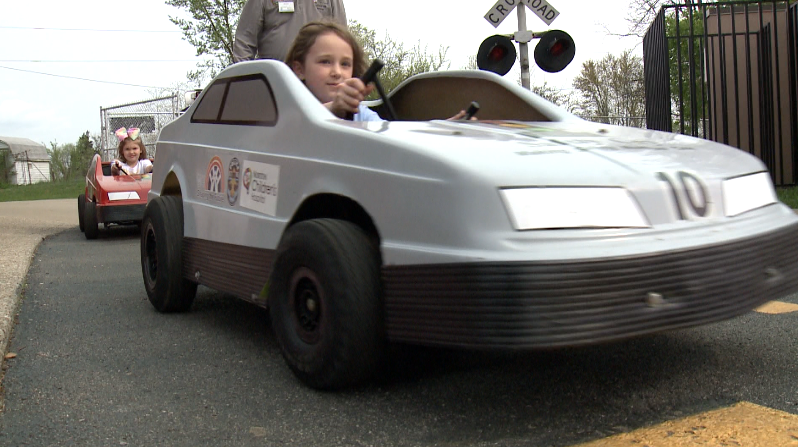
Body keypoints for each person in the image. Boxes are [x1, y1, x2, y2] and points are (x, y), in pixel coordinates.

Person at [284, 21, 473, 122]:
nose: (337, 72)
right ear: (299, 69)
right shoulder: (283, 109)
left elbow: (395, 140)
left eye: (345, 64)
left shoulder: (362, 115)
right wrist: (333, 109)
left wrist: (443, 129)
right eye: (325, 62)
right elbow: (294, 126)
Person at [232, 0, 347, 63]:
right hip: (275, 84)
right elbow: (244, 42)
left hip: (318, 86)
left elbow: (343, 40)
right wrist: (242, 80)